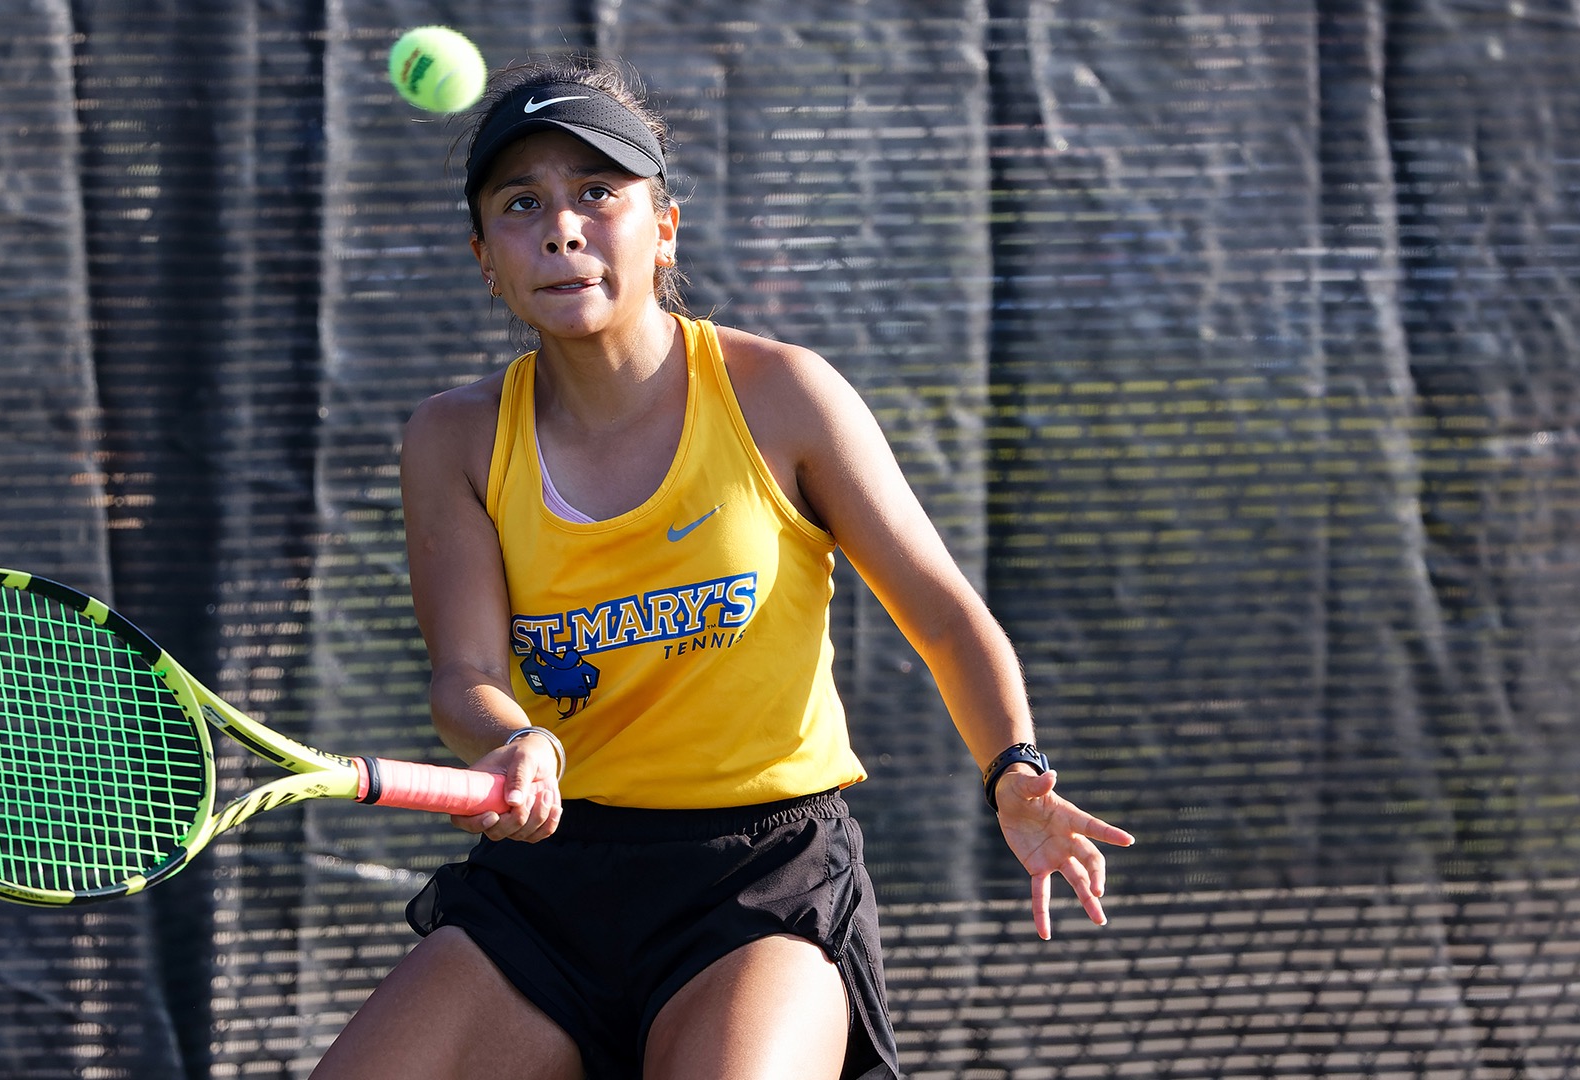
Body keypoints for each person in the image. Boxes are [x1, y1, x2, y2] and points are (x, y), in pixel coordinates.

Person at [312, 55, 1134, 1080]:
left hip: (759, 885)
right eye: (523, 203)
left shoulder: (783, 395)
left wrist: (1016, 772)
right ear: (487, 256)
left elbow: (944, 614)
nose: (562, 226)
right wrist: (515, 737)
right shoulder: (454, 437)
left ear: (663, 227)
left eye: (598, 193)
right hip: (549, 889)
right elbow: (462, 672)